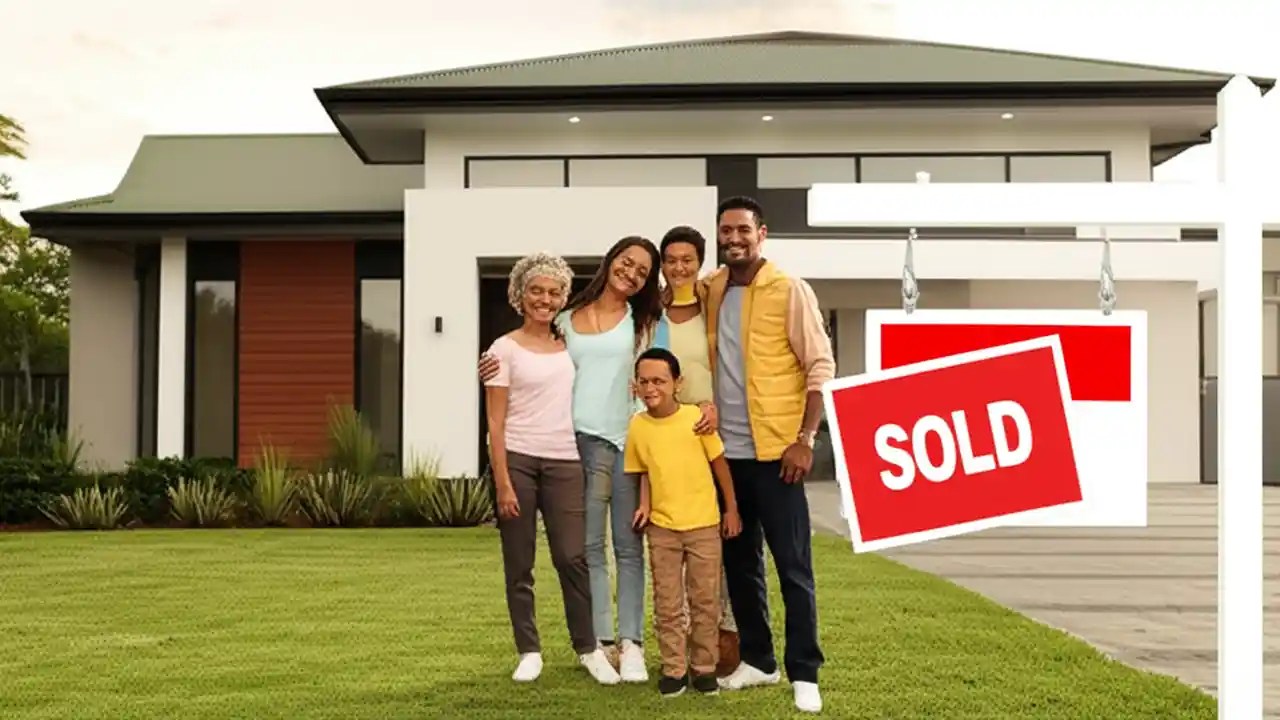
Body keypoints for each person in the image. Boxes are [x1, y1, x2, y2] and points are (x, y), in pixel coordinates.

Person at [479, 236, 710, 682]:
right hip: (574, 445)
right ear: (610, 262)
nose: (633, 273)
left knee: (628, 547)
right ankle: (601, 644)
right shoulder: (563, 321)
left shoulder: (645, 322)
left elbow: (665, 377)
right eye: (627, 263)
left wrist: (701, 407)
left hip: (627, 444)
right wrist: (489, 365)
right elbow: (531, 359)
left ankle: (633, 644)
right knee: (586, 550)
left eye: (643, 271)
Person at [700, 196, 835, 714]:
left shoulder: (789, 289)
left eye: (742, 230)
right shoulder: (712, 289)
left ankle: (805, 671)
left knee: (793, 567)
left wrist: (807, 438)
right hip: (725, 456)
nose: (733, 239)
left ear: (762, 234)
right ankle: (759, 660)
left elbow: (819, 366)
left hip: (778, 453)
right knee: (740, 563)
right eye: (725, 231)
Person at [481, 252, 621, 686]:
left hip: (566, 461)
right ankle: (529, 651)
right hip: (519, 462)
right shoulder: (502, 350)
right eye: (536, 291)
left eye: (554, 291)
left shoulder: (572, 345)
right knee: (519, 562)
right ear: (520, 296)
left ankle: (588, 649)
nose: (545, 299)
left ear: (563, 297)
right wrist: (503, 482)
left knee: (572, 557)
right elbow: (495, 423)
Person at [625, 347, 742, 698]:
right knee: (667, 602)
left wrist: (731, 510)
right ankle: (674, 669)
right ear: (636, 385)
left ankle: (704, 668)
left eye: (659, 380)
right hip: (662, 529)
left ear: (678, 382)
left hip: (704, 525)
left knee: (705, 601)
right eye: (644, 381)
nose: (651, 388)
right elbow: (643, 470)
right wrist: (644, 504)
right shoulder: (638, 426)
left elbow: (720, 466)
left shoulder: (697, 419)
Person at [656, 226, 740, 675]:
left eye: (688, 259)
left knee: (711, 543)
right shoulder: (652, 311)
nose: (679, 267)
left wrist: (715, 406)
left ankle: (718, 638)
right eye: (671, 259)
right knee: (667, 543)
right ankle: (673, 644)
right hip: (662, 439)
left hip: (707, 434)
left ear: (700, 262)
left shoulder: (714, 305)